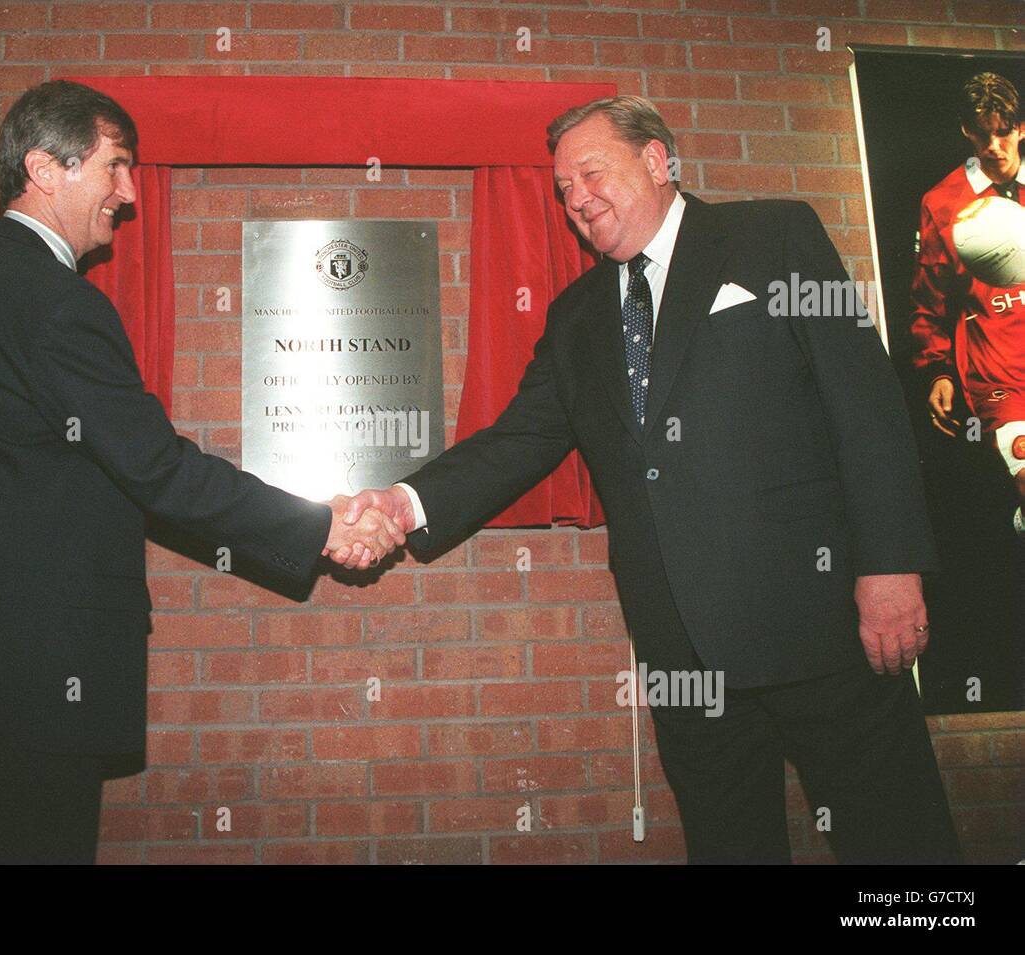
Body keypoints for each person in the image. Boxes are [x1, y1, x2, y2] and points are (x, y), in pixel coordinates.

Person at [340, 95, 962, 863]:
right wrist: (401, 505)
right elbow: (516, 441)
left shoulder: (773, 236)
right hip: (682, 658)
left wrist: (891, 565)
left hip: (826, 627)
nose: (576, 201)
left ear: (658, 160)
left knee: (897, 844)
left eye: (590, 174)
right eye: (563, 190)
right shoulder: (576, 318)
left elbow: (867, 409)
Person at [0, 80, 402, 864]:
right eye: (116, 166)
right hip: (36, 678)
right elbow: (158, 468)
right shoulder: (56, 300)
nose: (129, 192)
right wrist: (321, 524)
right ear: (45, 168)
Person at [910, 71, 1025, 534]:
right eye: (982, 133)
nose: (994, 145)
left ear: (1021, 128)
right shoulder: (942, 202)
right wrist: (936, 369)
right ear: (966, 131)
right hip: (997, 374)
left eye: (1003, 132)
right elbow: (928, 299)